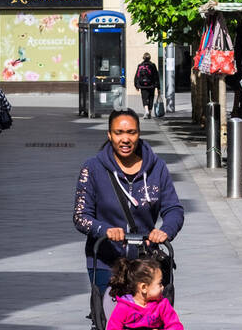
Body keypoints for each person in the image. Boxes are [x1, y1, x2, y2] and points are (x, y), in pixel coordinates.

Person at [73, 107, 184, 296]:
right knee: (112, 318)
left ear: (139, 134)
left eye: (131, 133)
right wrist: (104, 230)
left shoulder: (158, 167)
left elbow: (173, 208)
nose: (125, 139)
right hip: (106, 261)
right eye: (119, 133)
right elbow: (81, 215)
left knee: (148, 320)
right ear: (109, 135)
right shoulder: (92, 168)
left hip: (145, 261)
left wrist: (165, 231)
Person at [133, 53, 160, 117]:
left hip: (143, 85)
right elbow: (156, 76)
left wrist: (136, 85)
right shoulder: (153, 65)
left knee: (144, 98)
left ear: (143, 58)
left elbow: (136, 76)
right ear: (150, 58)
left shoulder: (140, 65)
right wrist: (158, 87)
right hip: (151, 85)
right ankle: (150, 113)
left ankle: (146, 110)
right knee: (151, 98)